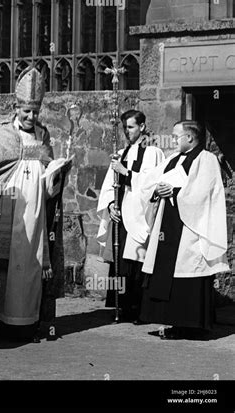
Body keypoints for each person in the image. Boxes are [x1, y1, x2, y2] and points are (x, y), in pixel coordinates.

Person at [0, 67, 68, 343]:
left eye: (35, 112)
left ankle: (26, 320)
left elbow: (49, 176)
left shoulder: (44, 135)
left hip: (36, 209)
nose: (31, 117)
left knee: (30, 263)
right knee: (2, 263)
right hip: (8, 205)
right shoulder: (1, 134)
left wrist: (56, 174)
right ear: (16, 107)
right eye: (26, 111)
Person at [139, 120, 230, 339]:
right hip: (166, 224)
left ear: (189, 137)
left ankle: (191, 325)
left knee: (187, 272)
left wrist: (175, 191)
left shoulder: (206, 160)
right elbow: (148, 183)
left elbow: (205, 193)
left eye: (175, 136)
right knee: (166, 270)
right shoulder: (172, 159)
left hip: (190, 228)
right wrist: (157, 191)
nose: (171, 140)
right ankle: (173, 322)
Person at [97, 110, 165, 323]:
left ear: (142, 127)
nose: (127, 132)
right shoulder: (121, 152)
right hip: (122, 216)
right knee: (121, 262)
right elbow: (109, 185)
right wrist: (110, 205)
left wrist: (125, 172)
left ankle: (140, 310)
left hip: (140, 215)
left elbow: (150, 184)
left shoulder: (154, 152)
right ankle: (122, 307)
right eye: (125, 128)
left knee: (138, 262)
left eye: (131, 127)